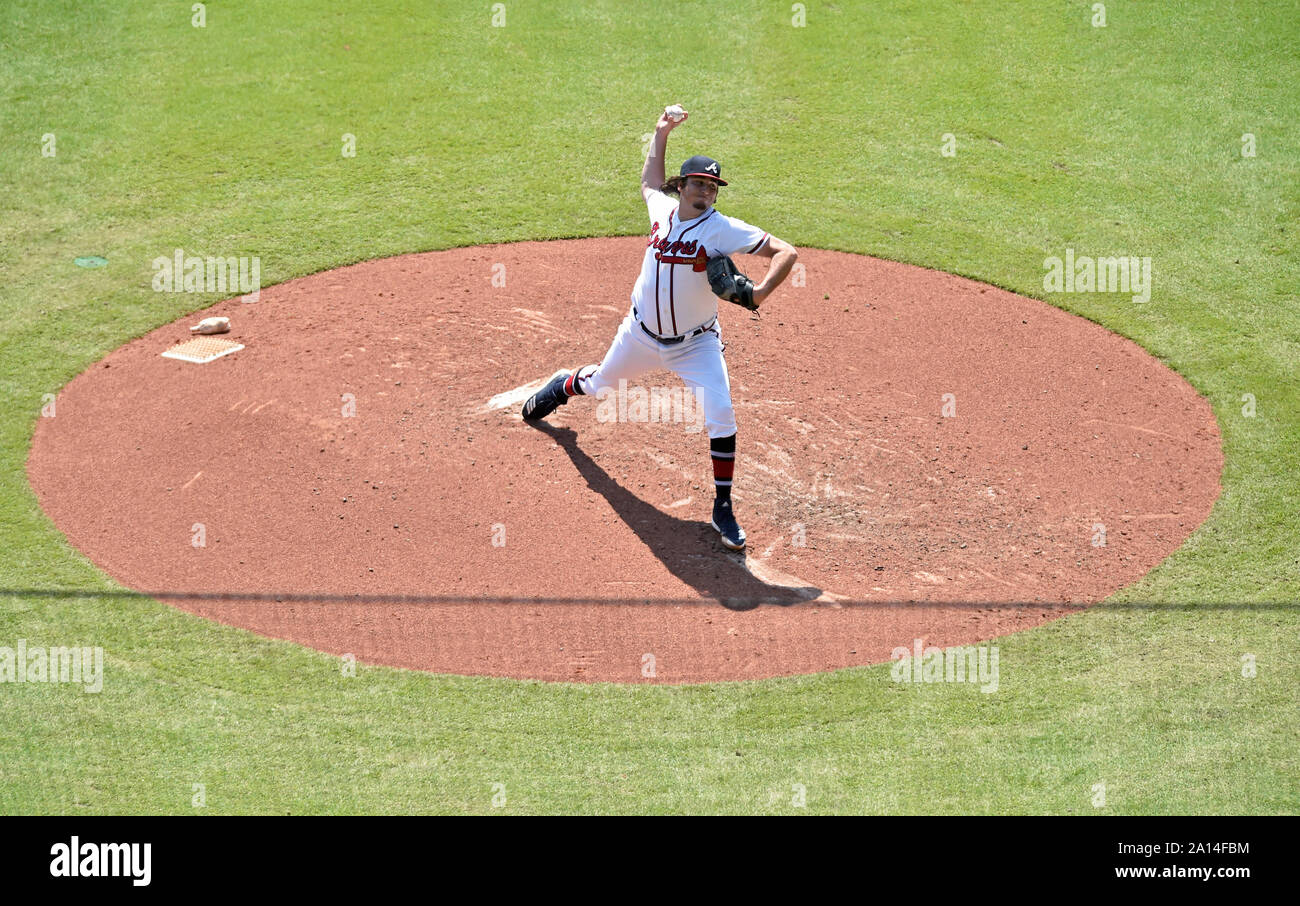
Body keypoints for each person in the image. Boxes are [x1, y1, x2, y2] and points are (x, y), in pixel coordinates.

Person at [523, 105, 799, 551]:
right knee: (598, 386)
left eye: (712, 185)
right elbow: (649, 181)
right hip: (639, 336)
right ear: (682, 186)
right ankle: (563, 385)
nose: (706, 190)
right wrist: (660, 131)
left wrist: (762, 293)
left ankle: (722, 507)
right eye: (699, 183)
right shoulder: (661, 209)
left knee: (722, 415)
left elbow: (786, 251)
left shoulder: (723, 229)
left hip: (696, 346)